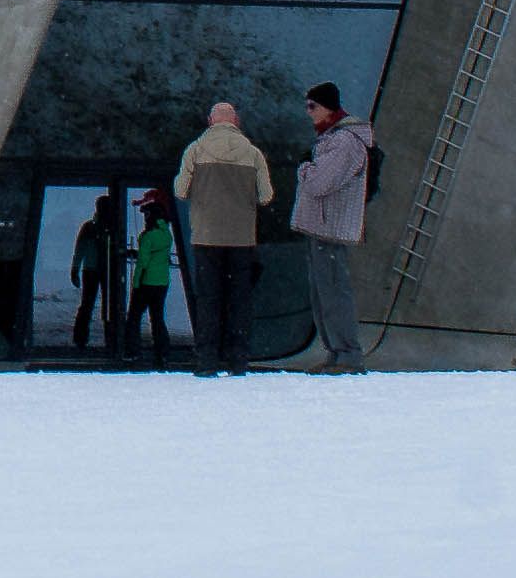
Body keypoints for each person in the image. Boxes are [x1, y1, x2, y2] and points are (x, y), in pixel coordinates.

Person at [174, 101, 275, 375]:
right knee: (239, 299)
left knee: (208, 299)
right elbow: (266, 196)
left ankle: (207, 360)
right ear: (236, 122)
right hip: (242, 238)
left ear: (210, 121)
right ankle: (238, 359)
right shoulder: (253, 153)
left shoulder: (194, 150)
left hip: (206, 237)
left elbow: (181, 191)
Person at [291, 83, 377, 374]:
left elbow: (319, 183)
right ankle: (337, 352)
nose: (308, 113)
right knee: (323, 292)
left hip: (330, 227)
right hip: (322, 227)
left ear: (328, 107)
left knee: (333, 290)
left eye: (312, 106)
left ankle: (348, 354)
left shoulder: (345, 141)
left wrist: (303, 168)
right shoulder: (333, 139)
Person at [67, 188, 125, 350]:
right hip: (98, 269)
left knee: (94, 304)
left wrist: (75, 268)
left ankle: (86, 339)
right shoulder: (96, 227)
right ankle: (99, 338)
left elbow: (80, 249)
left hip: (98, 269)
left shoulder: (98, 227)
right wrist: (75, 269)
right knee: (96, 304)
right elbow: (80, 248)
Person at [125, 189, 177, 365]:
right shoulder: (166, 235)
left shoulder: (147, 236)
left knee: (134, 317)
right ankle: (163, 352)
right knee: (157, 318)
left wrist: (136, 282)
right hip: (162, 282)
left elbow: (143, 262)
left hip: (146, 282)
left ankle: (132, 351)